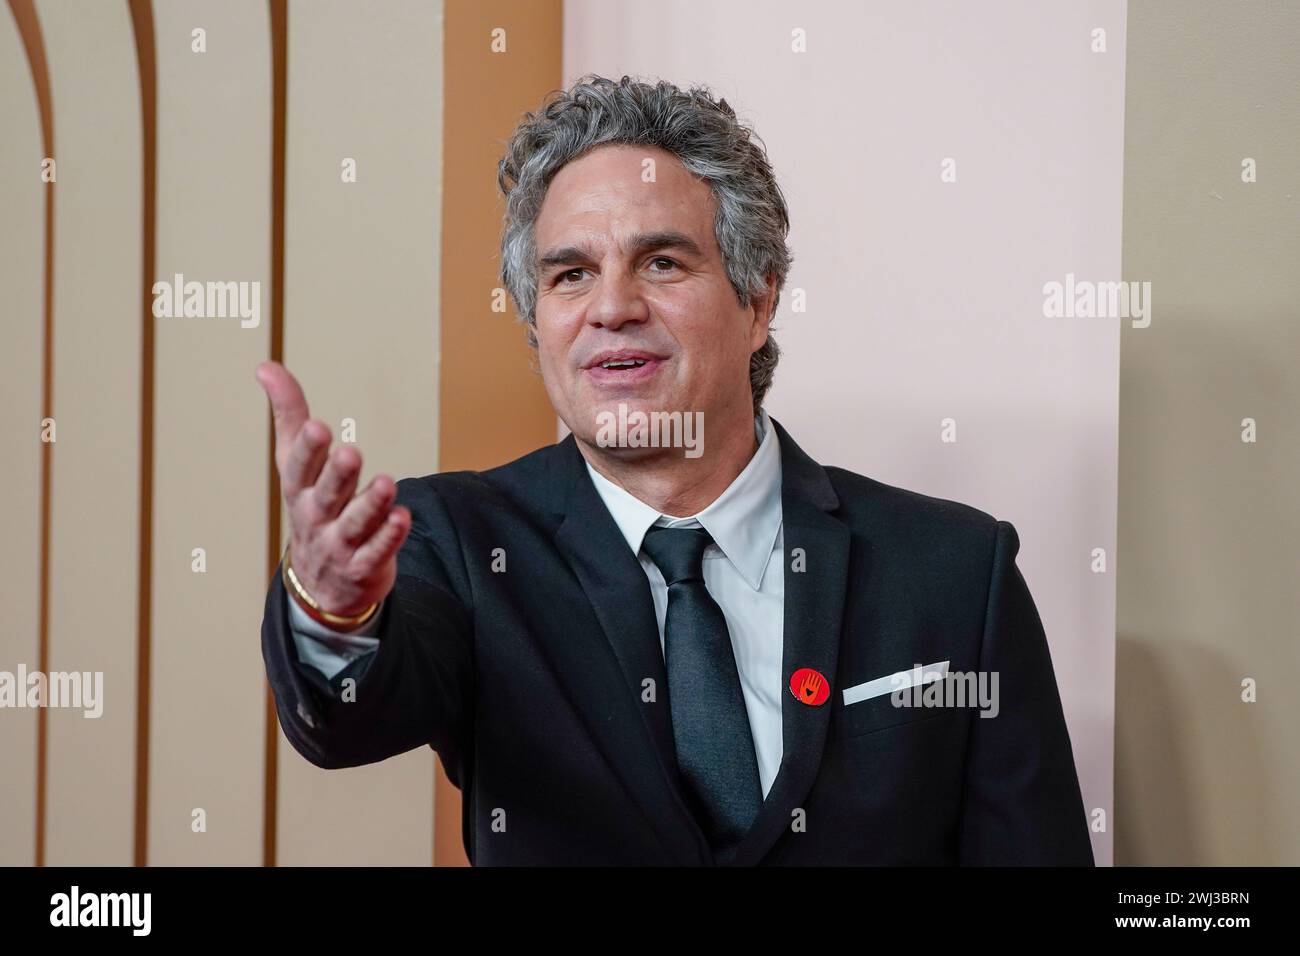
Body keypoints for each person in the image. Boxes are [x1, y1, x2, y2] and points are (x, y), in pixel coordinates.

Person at [256, 74, 1094, 866]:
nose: (612, 307)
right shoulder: (462, 544)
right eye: (571, 274)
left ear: (758, 300)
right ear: (537, 321)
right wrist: (331, 608)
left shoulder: (953, 570)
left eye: (661, 262)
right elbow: (346, 722)